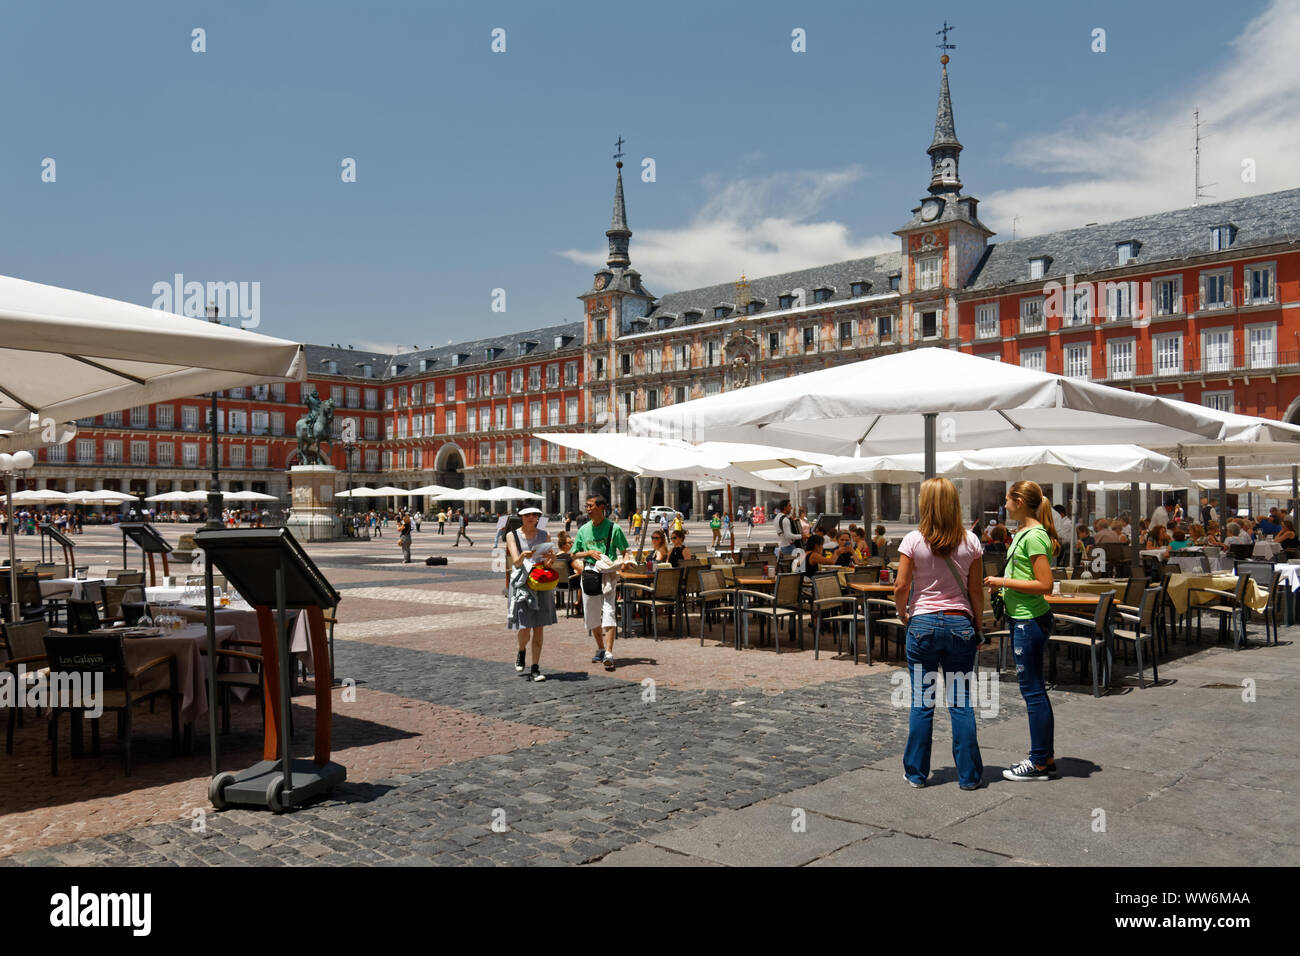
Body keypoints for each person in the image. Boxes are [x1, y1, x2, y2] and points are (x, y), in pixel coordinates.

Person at [894, 477, 984, 790]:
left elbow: (901, 586)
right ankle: (969, 776)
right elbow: (975, 590)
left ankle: (917, 773)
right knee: (960, 702)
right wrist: (979, 624)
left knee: (922, 701)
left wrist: (902, 612)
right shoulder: (970, 541)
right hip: (960, 624)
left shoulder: (913, 540)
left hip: (922, 625)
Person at [984, 480, 1059, 782]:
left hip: (1029, 620)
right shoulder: (1025, 534)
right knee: (1035, 690)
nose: (1003, 505)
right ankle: (1045, 756)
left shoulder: (1034, 536)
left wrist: (1002, 582)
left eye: (1007, 499)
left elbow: (1045, 585)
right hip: (1023, 618)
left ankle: (1039, 762)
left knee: (1033, 692)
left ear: (1019, 501)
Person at [572, 495, 628, 671]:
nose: (587, 509)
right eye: (586, 506)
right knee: (591, 614)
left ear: (601, 507)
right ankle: (601, 647)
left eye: (590, 506)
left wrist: (626, 561)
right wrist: (588, 553)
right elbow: (574, 553)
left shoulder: (614, 528)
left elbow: (625, 550)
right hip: (589, 574)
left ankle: (609, 653)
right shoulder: (583, 530)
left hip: (608, 575)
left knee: (609, 610)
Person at [506, 507, 556, 682]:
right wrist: (522, 557)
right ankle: (521, 650)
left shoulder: (545, 535)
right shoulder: (512, 535)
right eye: (527, 515)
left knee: (539, 627)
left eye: (535, 515)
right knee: (524, 626)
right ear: (521, 516)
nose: (531, 518)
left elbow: (547, 562)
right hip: (523, 585)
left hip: (540, 582)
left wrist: (550, 561)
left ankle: (535, 667)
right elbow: (516, 561)